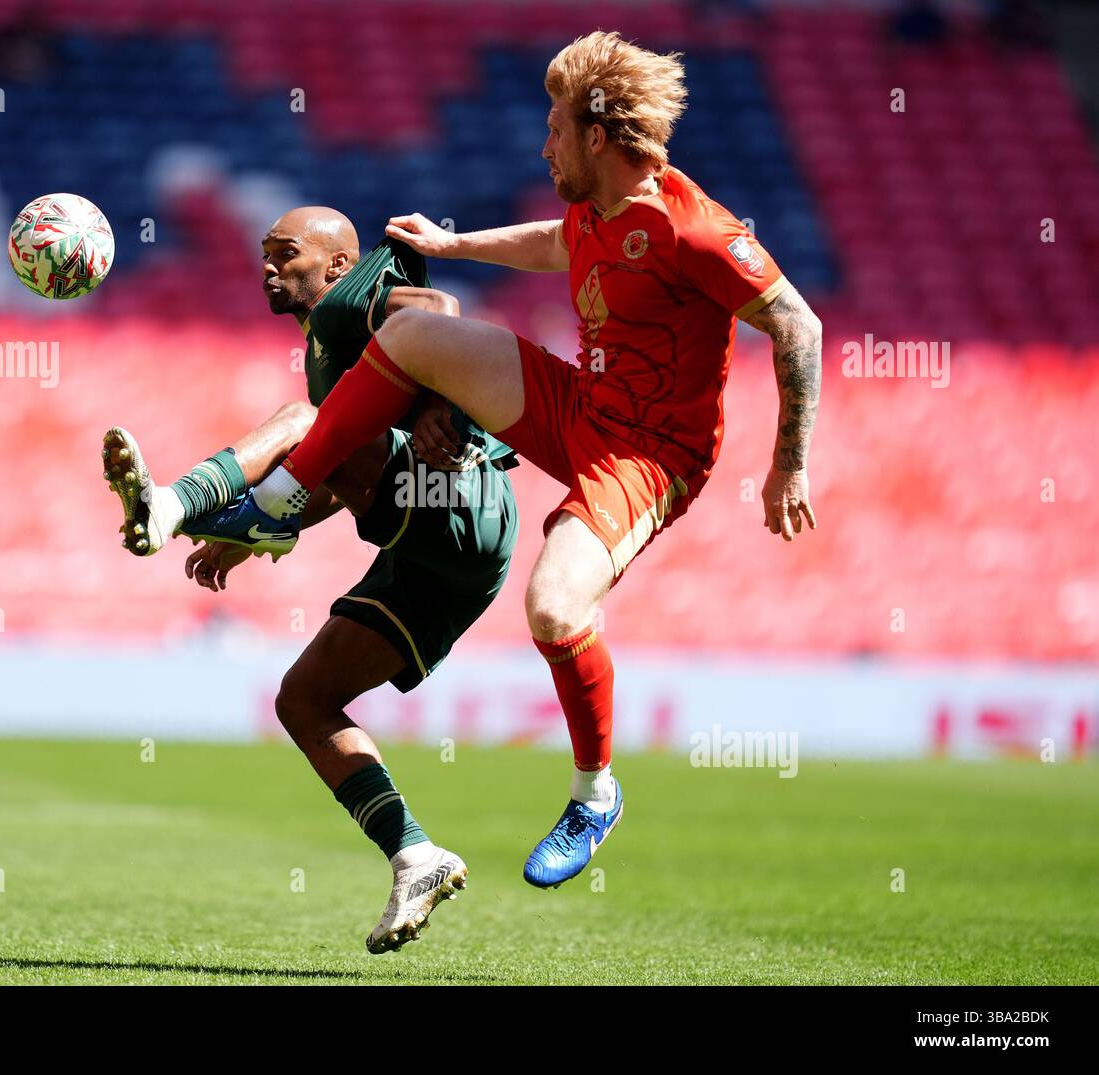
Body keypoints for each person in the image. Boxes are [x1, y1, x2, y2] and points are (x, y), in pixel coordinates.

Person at [204, 33, 824, 889]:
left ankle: (594, 792)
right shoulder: (596, 212)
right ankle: (281, 498)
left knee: (553, 605)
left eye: (556, 130)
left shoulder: (695, 230)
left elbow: (798, 325)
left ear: (598, 138)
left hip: (646, 455)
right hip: (580, 405)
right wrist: (451, 248)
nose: (545, 145)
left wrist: (789, 463)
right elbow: (553, 242)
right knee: (412, 331)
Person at [102, 207, 519, 952]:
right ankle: (415, 855)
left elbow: (442, 310)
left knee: (303, 417)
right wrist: (264, 528)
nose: (266, 266)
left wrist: (445, 404)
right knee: (305, 699)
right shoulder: (329, 341)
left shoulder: (353, 296)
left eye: (283, 253)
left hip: (461, 502)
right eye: (262, 253)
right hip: (437, 558)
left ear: (332, 265)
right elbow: (334, 468)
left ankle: (171, 505)